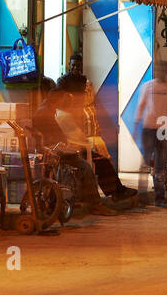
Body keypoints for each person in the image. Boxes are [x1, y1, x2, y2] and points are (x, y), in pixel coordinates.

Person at [56, 71, 136, 205]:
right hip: (69, 151)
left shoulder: (70, 110)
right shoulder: (65, 113)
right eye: (82, 93)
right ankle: (114, 193)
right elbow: (77, 139)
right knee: (100, 161)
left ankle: (116, 191)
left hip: (74, 148)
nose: (84, 96)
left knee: (101, 160)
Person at [134, 69, 167, 207]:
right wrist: (136, 126)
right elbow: (141, 106)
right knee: (151, 163)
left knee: (159, 164)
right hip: (152, 128)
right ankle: (146, 198)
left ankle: (156, 198)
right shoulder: (149, 86)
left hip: (160, 128)